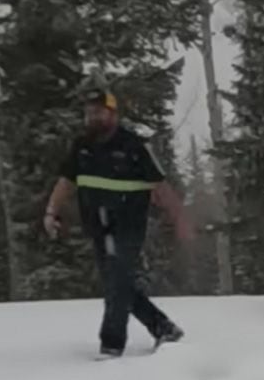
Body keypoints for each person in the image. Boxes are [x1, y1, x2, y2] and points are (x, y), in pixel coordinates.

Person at [43, 87, 192, 359]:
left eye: (99, 112)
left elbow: (161, 186)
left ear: (113, 114)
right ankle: (163, 328)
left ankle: (111, 345)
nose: (93, 118)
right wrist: (51, 212)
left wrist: (179, 219)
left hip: (128, 226)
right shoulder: (82, 147)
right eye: (89, 113)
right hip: (98, 227)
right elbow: (66, 182)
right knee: (118, 284)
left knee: (118, 280)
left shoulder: (134, 146)